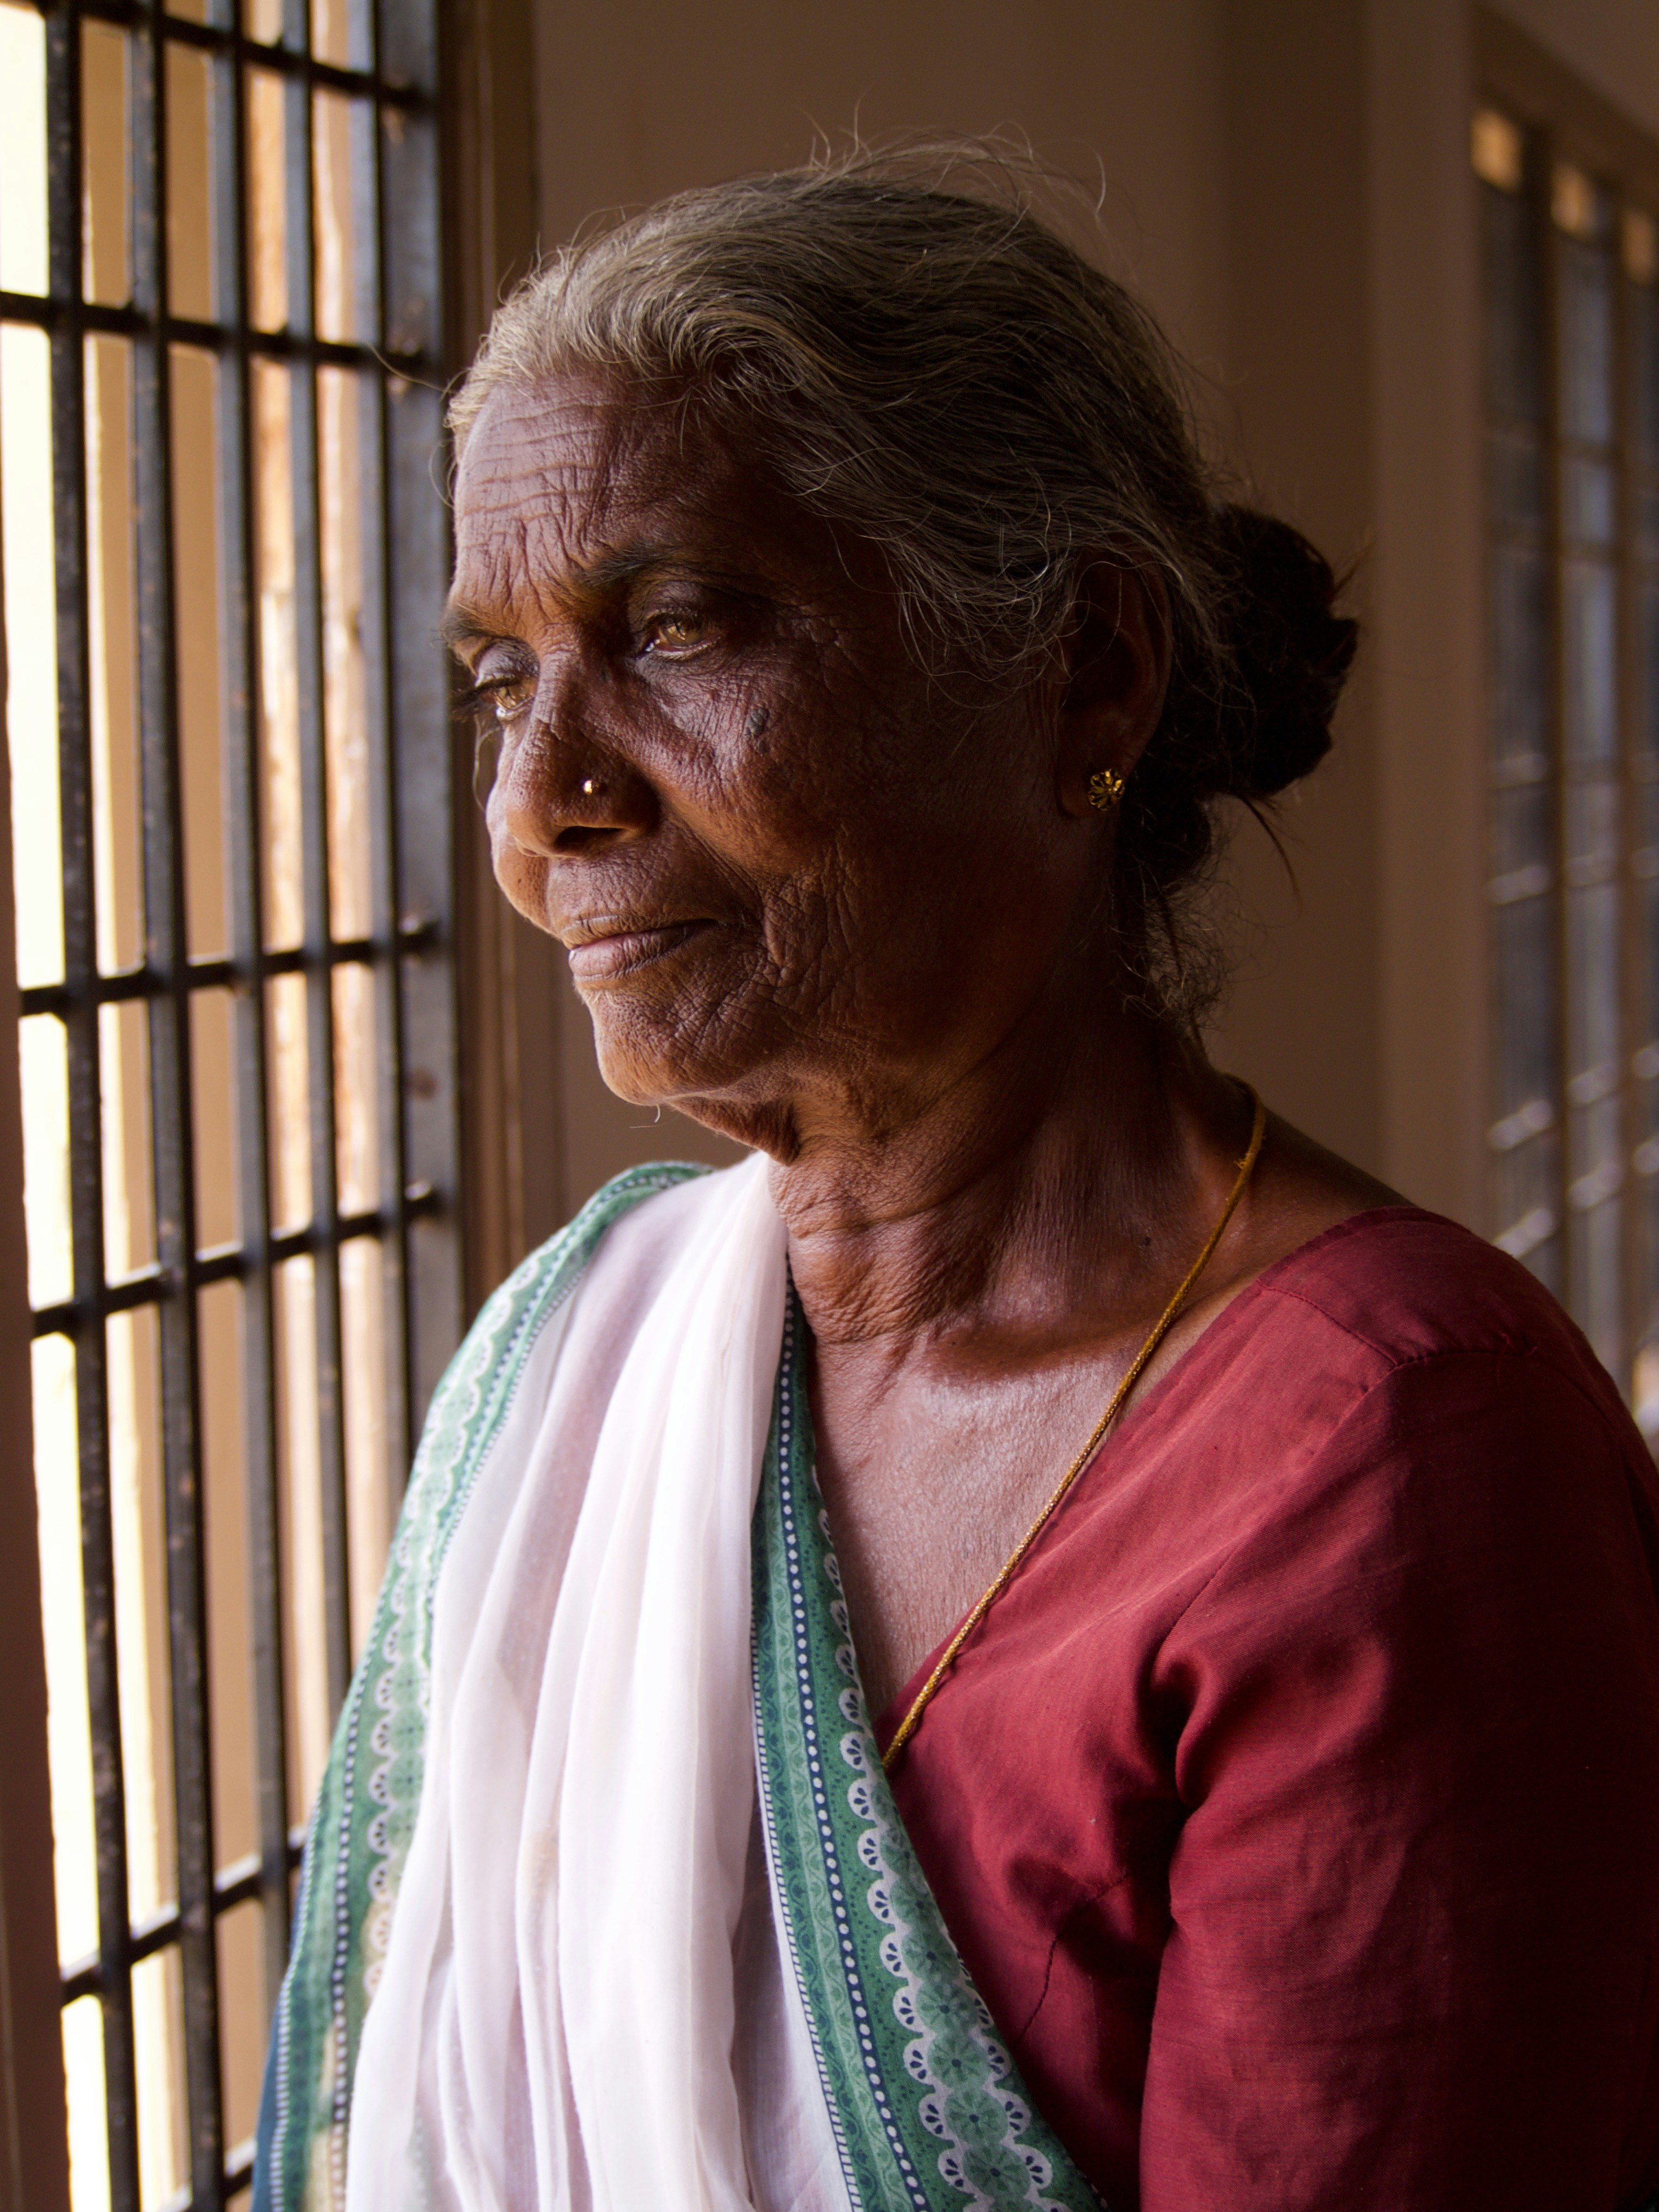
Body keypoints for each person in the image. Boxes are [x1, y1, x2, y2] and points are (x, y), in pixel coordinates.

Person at [253, 144, 1659, 2212]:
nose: (542, 801)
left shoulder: (1393, 1460)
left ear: (1084, 671)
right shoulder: (586, 1359)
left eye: (676, 624)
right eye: (497, 683)